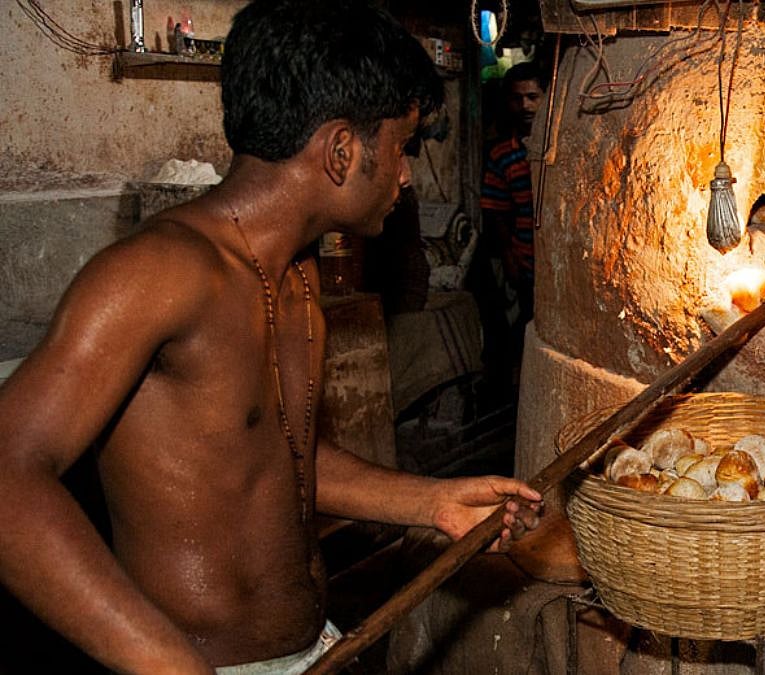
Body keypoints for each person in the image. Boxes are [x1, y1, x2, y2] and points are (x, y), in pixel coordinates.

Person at [0, 1, 542, 673]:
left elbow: (277, 461)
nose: (404, 175)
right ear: (342, 151)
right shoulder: (160, 271)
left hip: (307, 650)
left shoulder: (294, 274)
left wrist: (428, 502)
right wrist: (167, 663)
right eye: (400, 148)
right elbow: (8, 475)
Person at [477, 62, 545, 397]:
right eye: (518, 99)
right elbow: (495, 211)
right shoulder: (502, 154)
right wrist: (509, 257)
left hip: (557, 266)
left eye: (533, 96)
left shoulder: (559, 147)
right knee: (527, 330)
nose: (526, 106)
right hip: (527, 263)